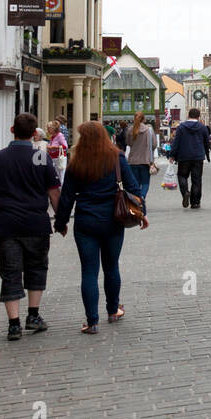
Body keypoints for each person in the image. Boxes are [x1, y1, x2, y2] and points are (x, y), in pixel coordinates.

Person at [54, 121, 148, 333]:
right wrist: (143, 214)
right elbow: (134, 188)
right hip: (113, 220)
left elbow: (67, 197)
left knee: (89, 271)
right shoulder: (117, 158)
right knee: (111, 267)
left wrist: (61, 223)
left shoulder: (76, 163)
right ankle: (113, 310)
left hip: (86, 221)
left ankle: (92, 321)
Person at [0, 112, 62, 342]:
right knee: (36, 267)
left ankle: (13, 324)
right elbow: (54, 192)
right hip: (36, 223)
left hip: (5, 225)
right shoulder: (41, 158)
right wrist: (61, 219)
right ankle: (33, 316)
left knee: (10, 272)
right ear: (35, 134)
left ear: (12, 130)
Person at [170, 109, 211, 208]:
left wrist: (172, 155)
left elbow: (176, 142)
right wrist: (207, 154)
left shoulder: (181, 127)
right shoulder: (202, 127)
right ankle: (195, 202)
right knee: (197, 179)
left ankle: (185, 192)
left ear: (188, 115)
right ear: (198, 116)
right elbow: (207, 142)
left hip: (184, 156)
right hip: (198, 157)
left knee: (182, 176)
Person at [126, 110, 156, 210]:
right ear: (144, 119)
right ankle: (142, 197)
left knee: (135, 183)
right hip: (145, 160)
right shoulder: (149, 130)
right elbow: (154, 144)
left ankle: (136, 200)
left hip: (133, 161)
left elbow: (129, 143)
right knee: (145, 183)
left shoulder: (130, 130)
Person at [46, 118, 69, 184]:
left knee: (60, 176)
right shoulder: (52, 136)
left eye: (49, 128)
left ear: (54, 129)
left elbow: (65, 146)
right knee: (55, 176)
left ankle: (61, 192)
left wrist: (54, 147)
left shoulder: (60, 135)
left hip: (59, 158)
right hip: (53, 157)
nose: (48, 130)